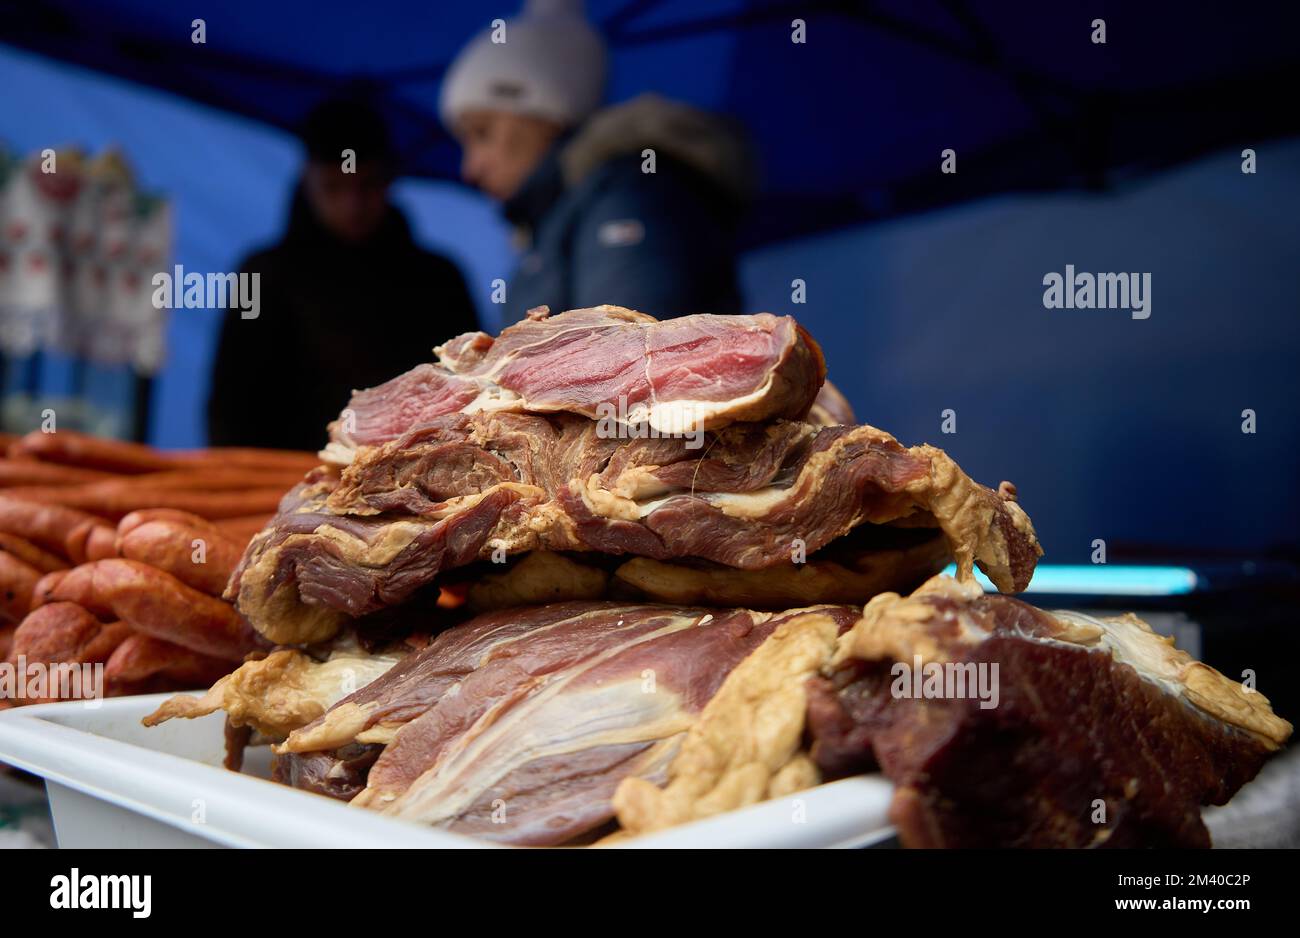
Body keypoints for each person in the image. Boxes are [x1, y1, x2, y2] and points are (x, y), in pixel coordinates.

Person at [440, 0, 756, 324]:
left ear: (546, 117)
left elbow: (629, 358)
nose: (469, 169)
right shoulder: (554, 223)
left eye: (482, 133)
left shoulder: (629, 193)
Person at [207, 98, 478, 450]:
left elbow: (469, 393)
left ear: (389, 182)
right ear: (307, 181)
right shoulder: (261, 275)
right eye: (333, 187)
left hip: (412, 485)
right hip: (280, 484)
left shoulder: (440, 279)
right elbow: (230, 409)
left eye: (366, 186)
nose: (352, 205)